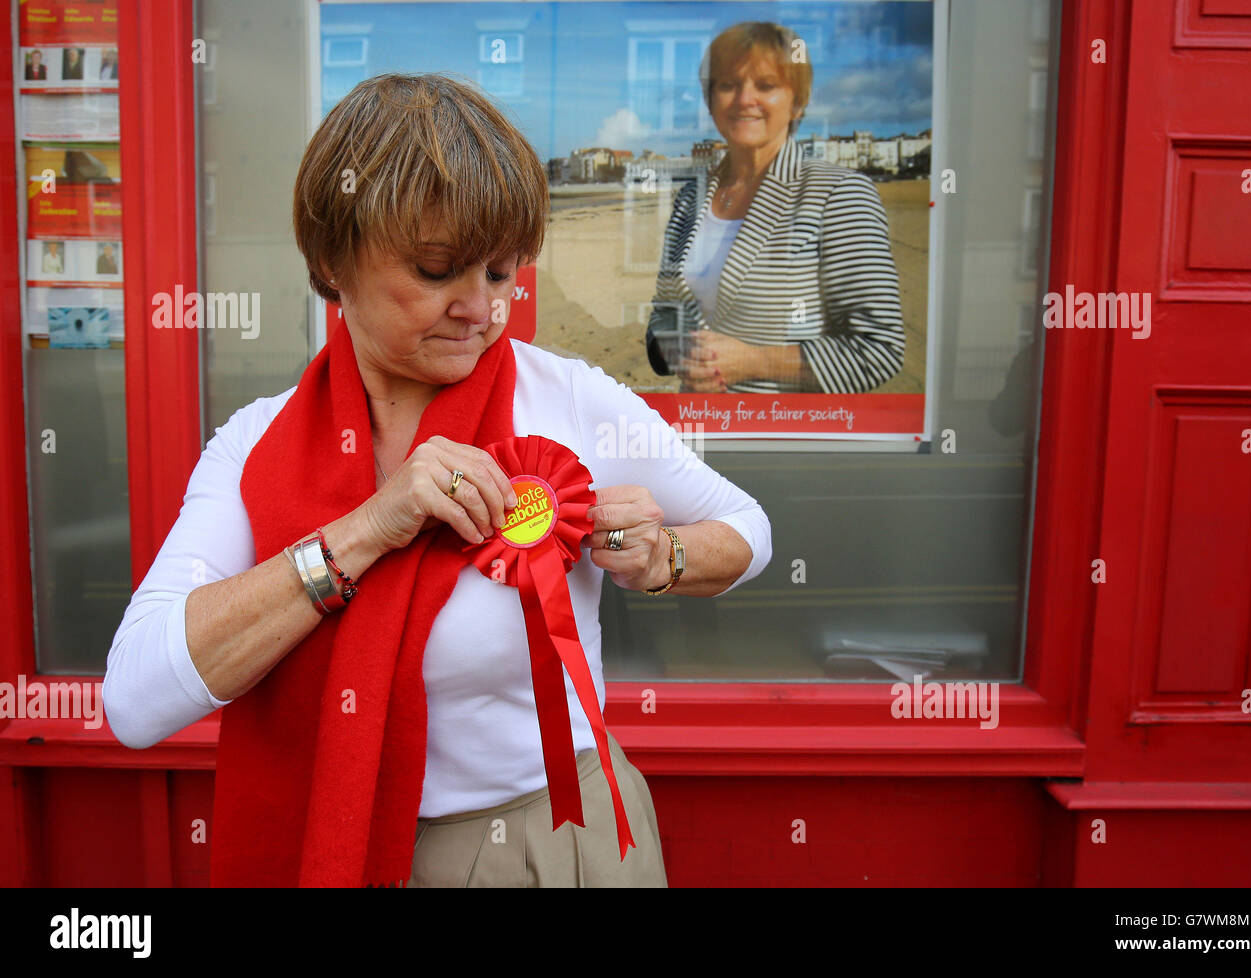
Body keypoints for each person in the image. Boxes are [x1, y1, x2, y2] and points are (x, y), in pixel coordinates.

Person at [103, 72, 772, 888]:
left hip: (553, 842)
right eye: (434, 270)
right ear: (330, 260)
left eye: (498, 273)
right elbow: (135, 703)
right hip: (341, 845)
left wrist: (663, 554)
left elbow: (747, 527)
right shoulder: (254, 446)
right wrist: (364, 531)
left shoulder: (568, 398)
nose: (479, 309)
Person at [646, 22, 905, 394]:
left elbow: (879, 349)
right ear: (710, 98)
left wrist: (753, 361)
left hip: (786, 436)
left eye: (765, 85)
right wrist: (681, 351)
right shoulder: (692, 196)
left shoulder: (839, 193)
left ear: (797, 101)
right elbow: (664, 311)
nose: (744, 99)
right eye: (728, 85)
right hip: (699, 433)